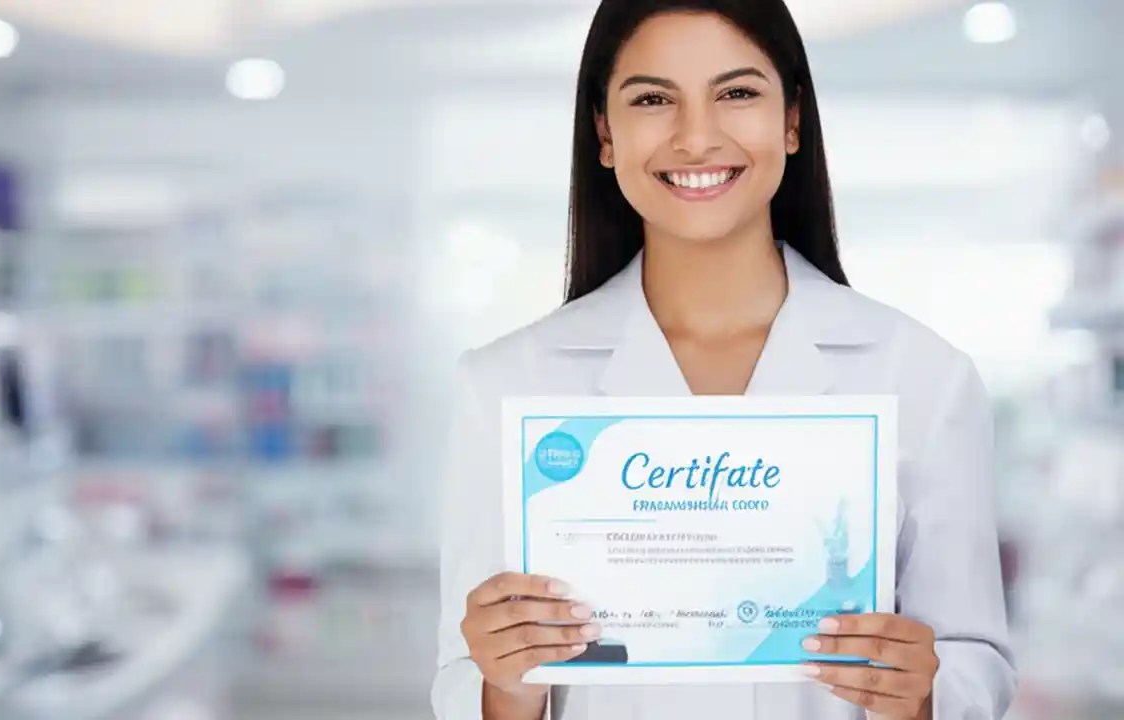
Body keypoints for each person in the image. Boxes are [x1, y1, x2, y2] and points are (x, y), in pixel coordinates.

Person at [432, 0, 1017, 718]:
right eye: (653, 99)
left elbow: (974, 659)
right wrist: (505, 680)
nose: (697, 137)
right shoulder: (502, 385)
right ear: (604, 134)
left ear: (793, 119)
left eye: (737, 93)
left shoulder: (923, 377)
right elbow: (464, 684)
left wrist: (922, 694)